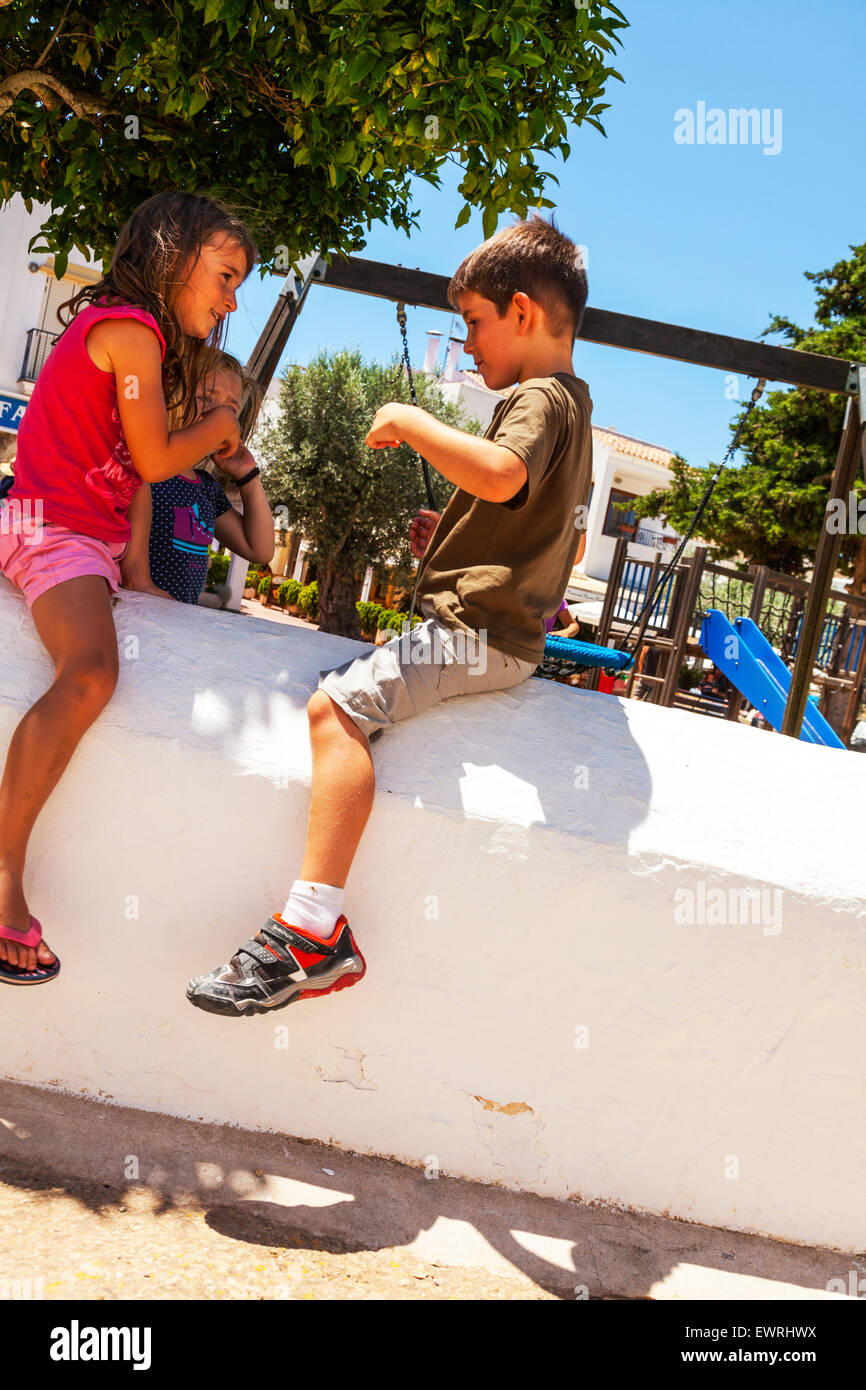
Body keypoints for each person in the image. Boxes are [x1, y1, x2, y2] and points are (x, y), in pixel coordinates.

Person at [187, 213, 593, 1017]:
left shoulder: (539, 400)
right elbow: (559, 544)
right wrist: (452, 537)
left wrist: (410, 422)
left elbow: (505, 478)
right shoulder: (575, 406)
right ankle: (310, 932)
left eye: (475, 324)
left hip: (479, 635)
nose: (470, 346)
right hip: (500, 633)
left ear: (523, 312)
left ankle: (311, 931)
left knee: (335, 708)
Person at [0, 190, 257, 984]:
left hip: (79, 535)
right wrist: (221, 432)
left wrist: (136, 570)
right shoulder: (130, 332)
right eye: (223, 275)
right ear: (172, 258)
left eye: (239, 283)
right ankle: (3, 876)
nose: (231, 298)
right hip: (52, 532)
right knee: (92, 674)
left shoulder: (132, 334)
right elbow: (151, 460)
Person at [121, 351, 273, 603]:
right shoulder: (142, 466)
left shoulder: (205, 489)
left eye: (230, 410)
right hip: (135, 616)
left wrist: (248, 475)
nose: (219, 417)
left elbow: (259, 549)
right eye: (205, 398)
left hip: (176, 627)